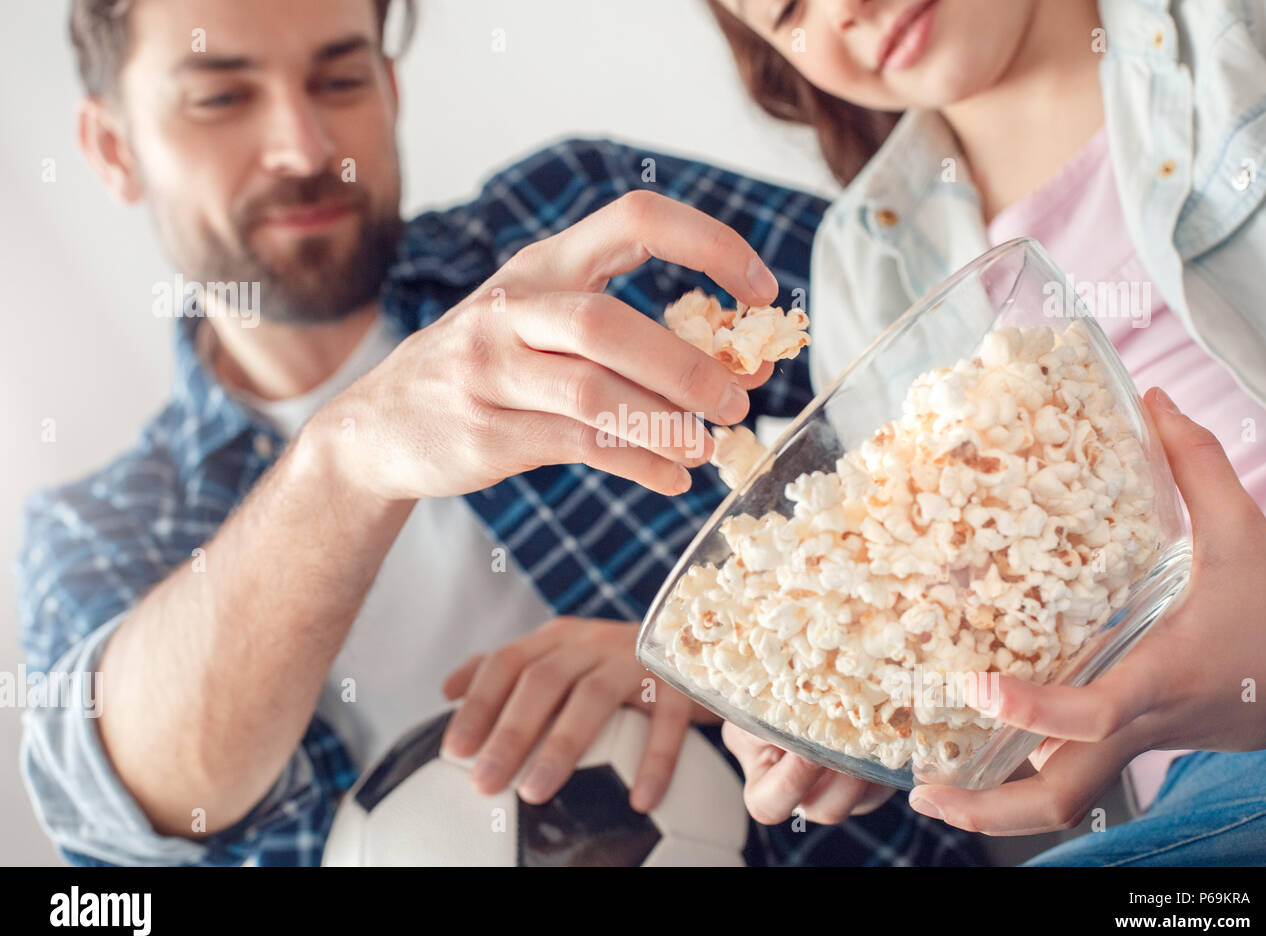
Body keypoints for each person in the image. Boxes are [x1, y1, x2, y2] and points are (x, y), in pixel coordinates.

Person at [15, 0, 984, 867]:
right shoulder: (99, 525)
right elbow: (112, 809)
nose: (303, 144)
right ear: (112, 147)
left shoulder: (570, 224)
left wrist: (736, 645)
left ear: (389, 90)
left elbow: (974, 339)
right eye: (220, 99)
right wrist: (346, 456)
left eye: (341, 78)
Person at [704, 0, 1266, 865]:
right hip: (1209, 784)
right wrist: (864, 697)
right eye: (791, 10)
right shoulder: (860, 263)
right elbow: (950, 606)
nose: (847, 8)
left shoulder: (1238, 27)